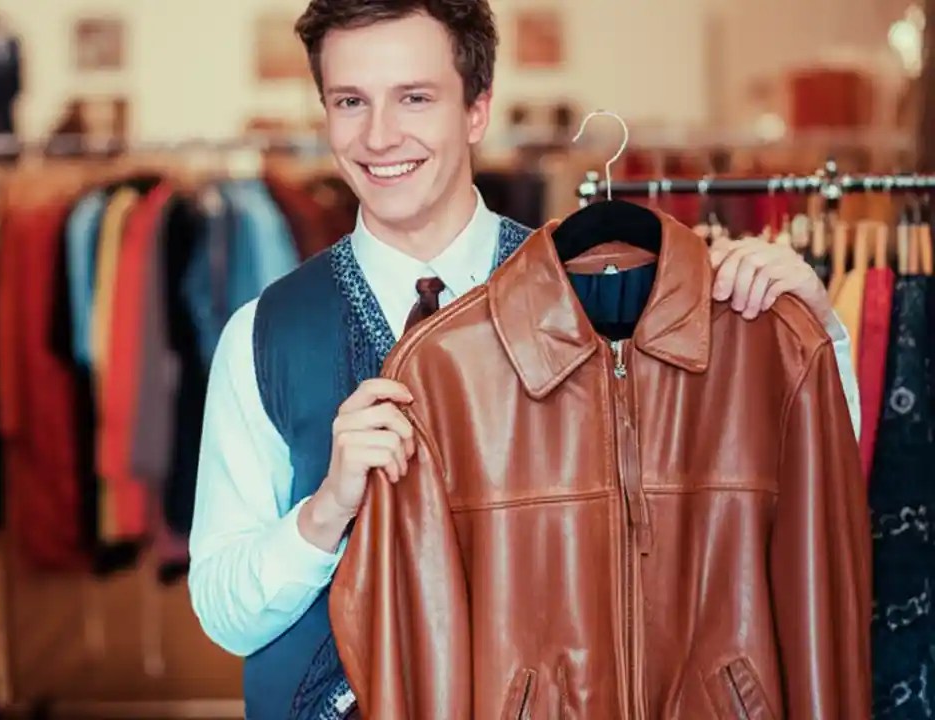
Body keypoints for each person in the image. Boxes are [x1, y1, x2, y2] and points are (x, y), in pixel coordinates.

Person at [187, 1, 863, 718]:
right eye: (350, 101)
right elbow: (222, 615)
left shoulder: (609, 297)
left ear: (477, 108)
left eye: (414, 97)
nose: (380, 136)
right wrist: (326, 512)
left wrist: (817, 336)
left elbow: (805, 491)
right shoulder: (262, 334)